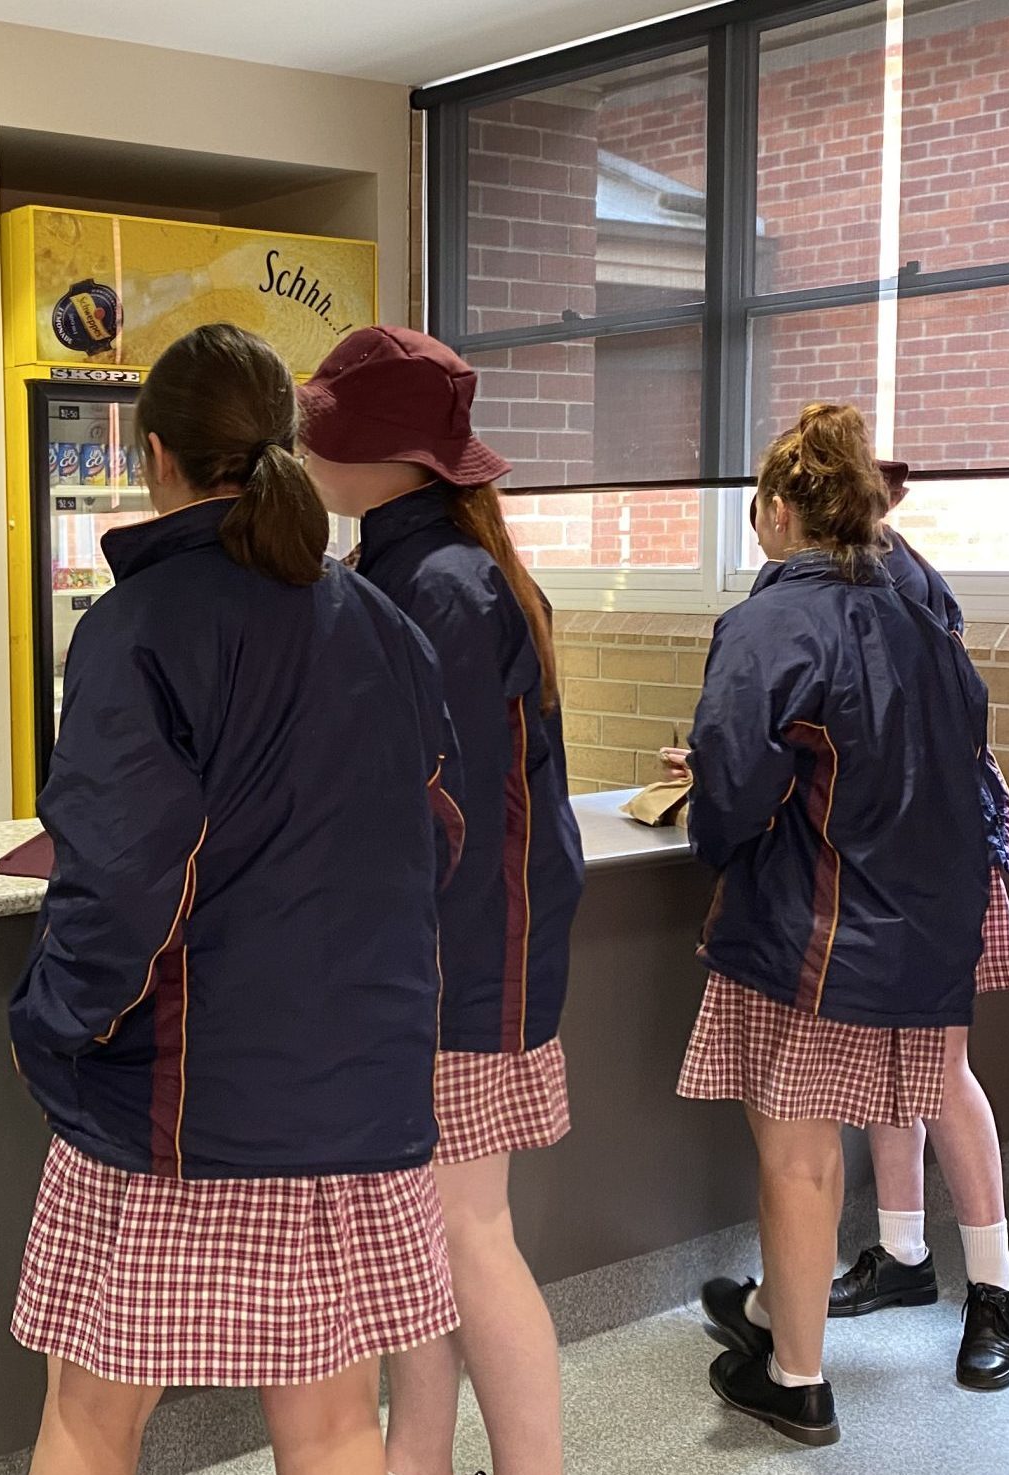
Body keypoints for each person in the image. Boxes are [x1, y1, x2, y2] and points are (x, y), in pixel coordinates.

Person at [8, 323, 463, 1475]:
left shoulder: (136, 629)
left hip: (178, 1106)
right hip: (355, 1098)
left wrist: (49, 1030)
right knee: (328, 1421)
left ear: (153, 453)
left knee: (88, 1415)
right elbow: (434, 839)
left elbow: (116, 891)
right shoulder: (382, 625)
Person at [676, 403, 992, 1446]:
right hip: (916, 926)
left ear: (771, 510)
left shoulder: (769, 621)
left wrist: (722, 822)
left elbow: (727, 793)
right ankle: (775, 1315)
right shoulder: (921, 612)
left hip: (808, 929)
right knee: (836, 1140)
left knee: (797, 1153)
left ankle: (797, 1377)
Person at [299, 326, 584, 1475]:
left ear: (382, 454)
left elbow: (436, 813)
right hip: (462, 956)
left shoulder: (438, 588)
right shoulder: (422, 568)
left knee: (468, 1235)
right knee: (430, 1237)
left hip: (461, 964)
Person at [823, 461, 1009, 1388]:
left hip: (936, 850)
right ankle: (903, 1256)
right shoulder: (859, 579)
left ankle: (997, 1289)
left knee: (941, 1073)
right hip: (884, 846)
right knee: (888, 1062)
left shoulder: (890, 588)